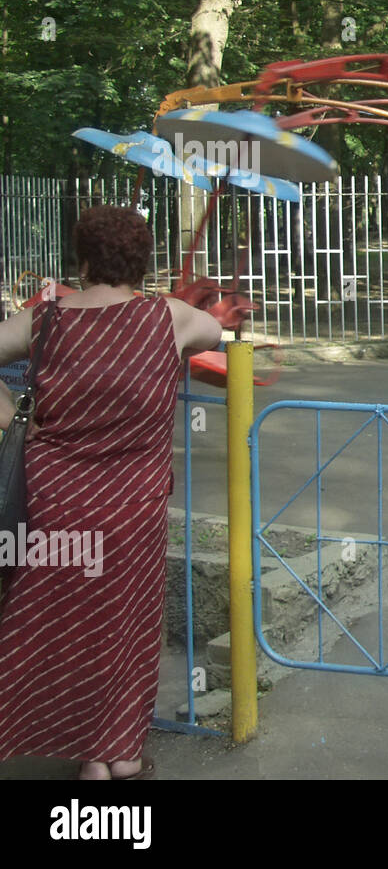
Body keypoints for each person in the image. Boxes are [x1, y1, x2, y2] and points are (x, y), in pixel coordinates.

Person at [0, 206, 222, 780]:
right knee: (125, 626)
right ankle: (113, 760)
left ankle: (64, 746)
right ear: (142, 262)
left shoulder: (44, 322)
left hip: (54, 502)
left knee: (49, 622)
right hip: (133, 507)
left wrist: (14, 422)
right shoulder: (168, 318)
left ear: (83, 258)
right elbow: (216, 331)